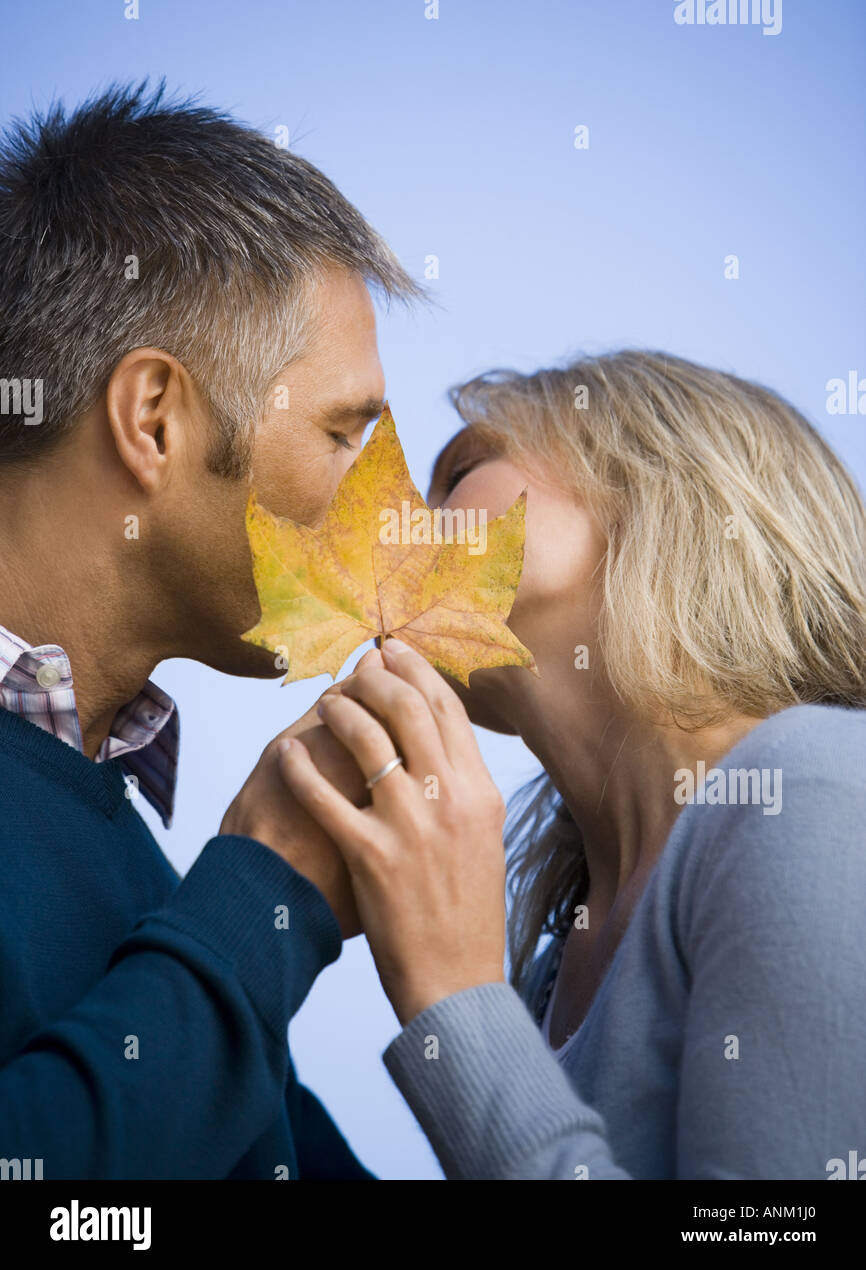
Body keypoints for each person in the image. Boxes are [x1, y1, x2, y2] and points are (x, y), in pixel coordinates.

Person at [280, 350, 866, 1179]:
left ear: (658, 482)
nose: (397, 519)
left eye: (463, 468)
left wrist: (457, 1000)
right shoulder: (555, 968)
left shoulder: (814, 786)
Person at [0, 77, 423, 1179]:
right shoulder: (226, 899)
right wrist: (267, 891)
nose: (388, 508)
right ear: (153, 419)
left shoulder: (141, 860)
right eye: (344, 432)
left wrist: (469, 1012)